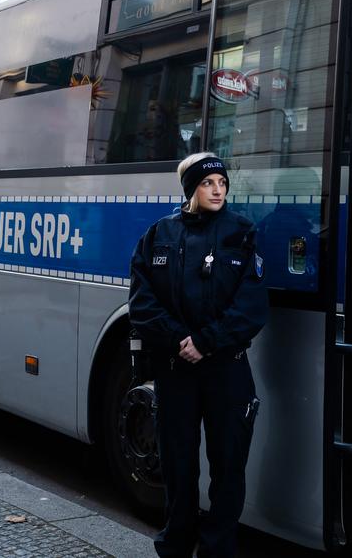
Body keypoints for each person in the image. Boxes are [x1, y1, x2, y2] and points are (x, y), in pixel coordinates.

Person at [128, 152, 269, 558]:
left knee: (228, 467)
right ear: (191, 189)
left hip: (226, 369)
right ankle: (175, 544)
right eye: (208, 183)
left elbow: (252, 305)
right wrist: (179, 341)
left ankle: (216, 550)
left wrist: (207, 341)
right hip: (176, 370)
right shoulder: (159, 234)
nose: (218, 189)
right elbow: (142, 302)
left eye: (222, 183)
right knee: (177, 464)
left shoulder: (242, 232)